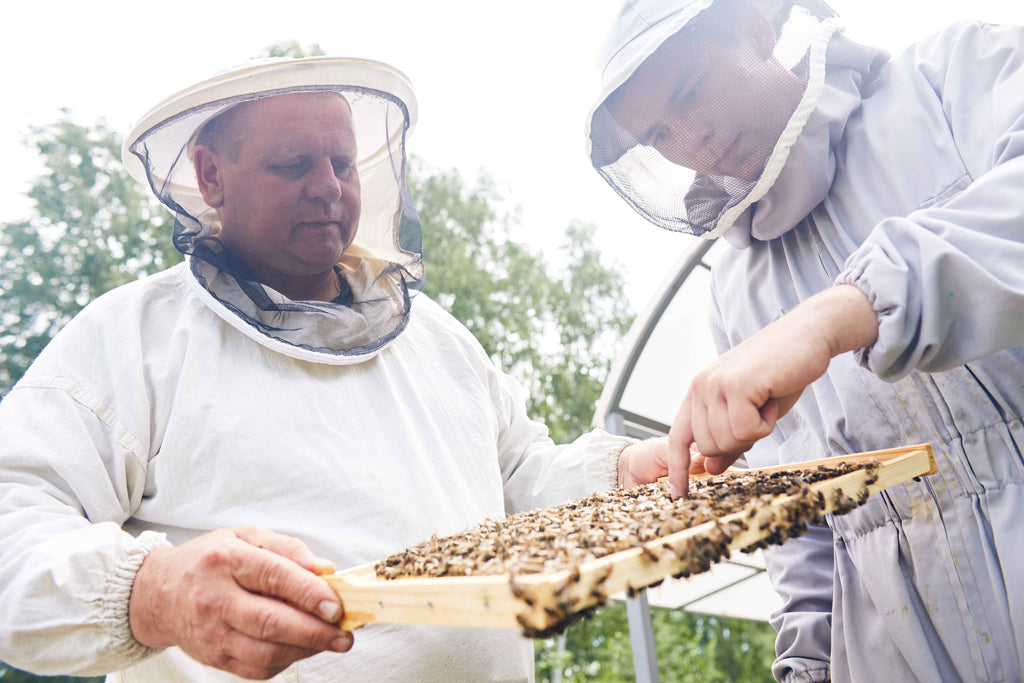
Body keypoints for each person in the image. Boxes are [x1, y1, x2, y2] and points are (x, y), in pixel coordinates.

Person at [0, 57, 669, 682]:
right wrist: (153, 592)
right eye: (293, 163)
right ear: (210, 176)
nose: (328, 187)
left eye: (343, 162)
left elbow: (520, 480)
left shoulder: (440, 340)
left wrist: (617, 477)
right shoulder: (131, 339)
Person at [587, 0, 1024, 681]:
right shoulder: (735, 291)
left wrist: (842, 312)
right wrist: (805, 668)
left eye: (691, 91)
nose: (691, 142)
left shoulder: (952, 76)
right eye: (659, 135)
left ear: (757, 25)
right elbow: (806, 531)